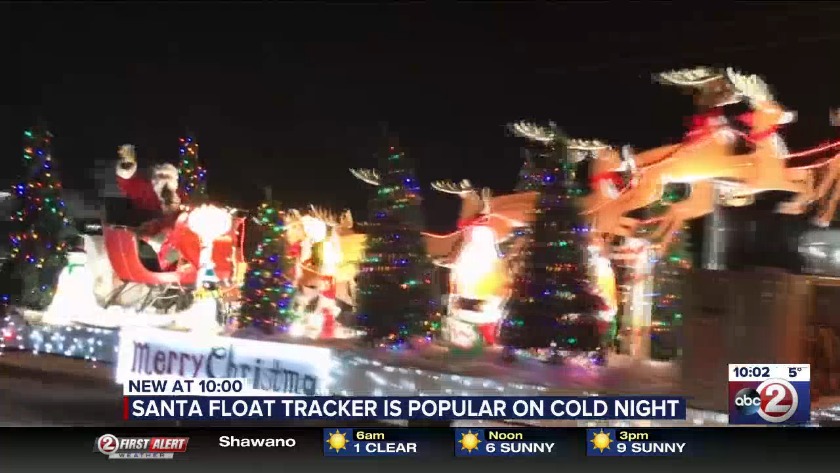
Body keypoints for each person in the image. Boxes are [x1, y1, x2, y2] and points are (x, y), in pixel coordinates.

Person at [115, 144, 188, 271]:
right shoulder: (144, 190)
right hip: (147, 233)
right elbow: (126, 183)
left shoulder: (180, 196)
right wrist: (127, 165)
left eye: (168, 177)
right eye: (161, 176)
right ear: (155, 178)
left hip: (174, 236)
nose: (164, 181)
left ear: (174, 180)